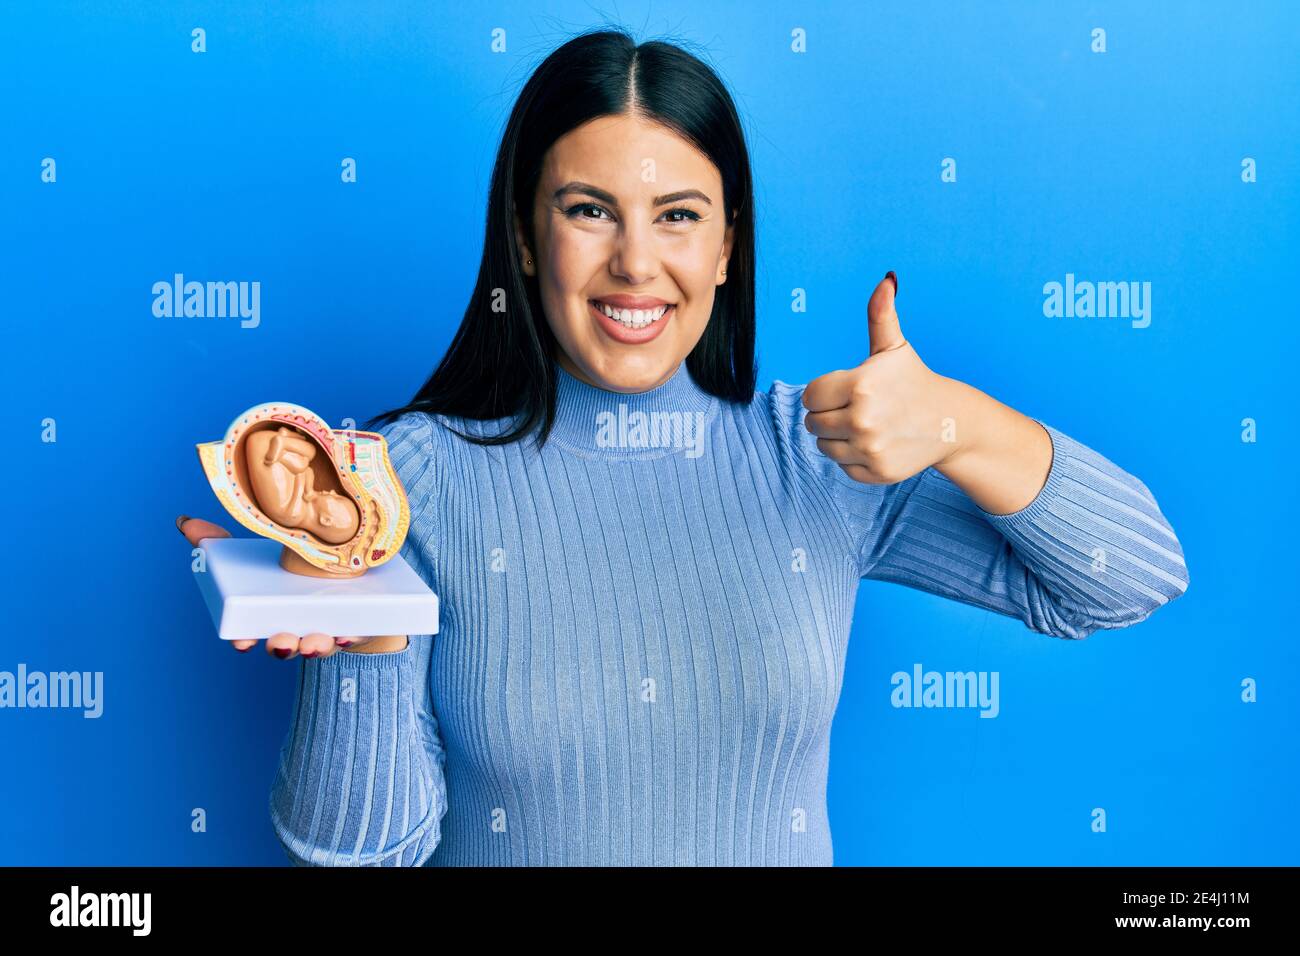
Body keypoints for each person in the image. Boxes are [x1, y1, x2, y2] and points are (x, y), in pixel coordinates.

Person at [177, 28, 1189, 866]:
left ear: (725, 244)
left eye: (677, 216)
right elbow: (361, 849)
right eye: (587, 212)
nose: (635, 263)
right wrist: (363, 629)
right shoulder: (402, 482)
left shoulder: (820, 460)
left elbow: (1125, 580)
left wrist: (961, 421)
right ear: (526, 238)